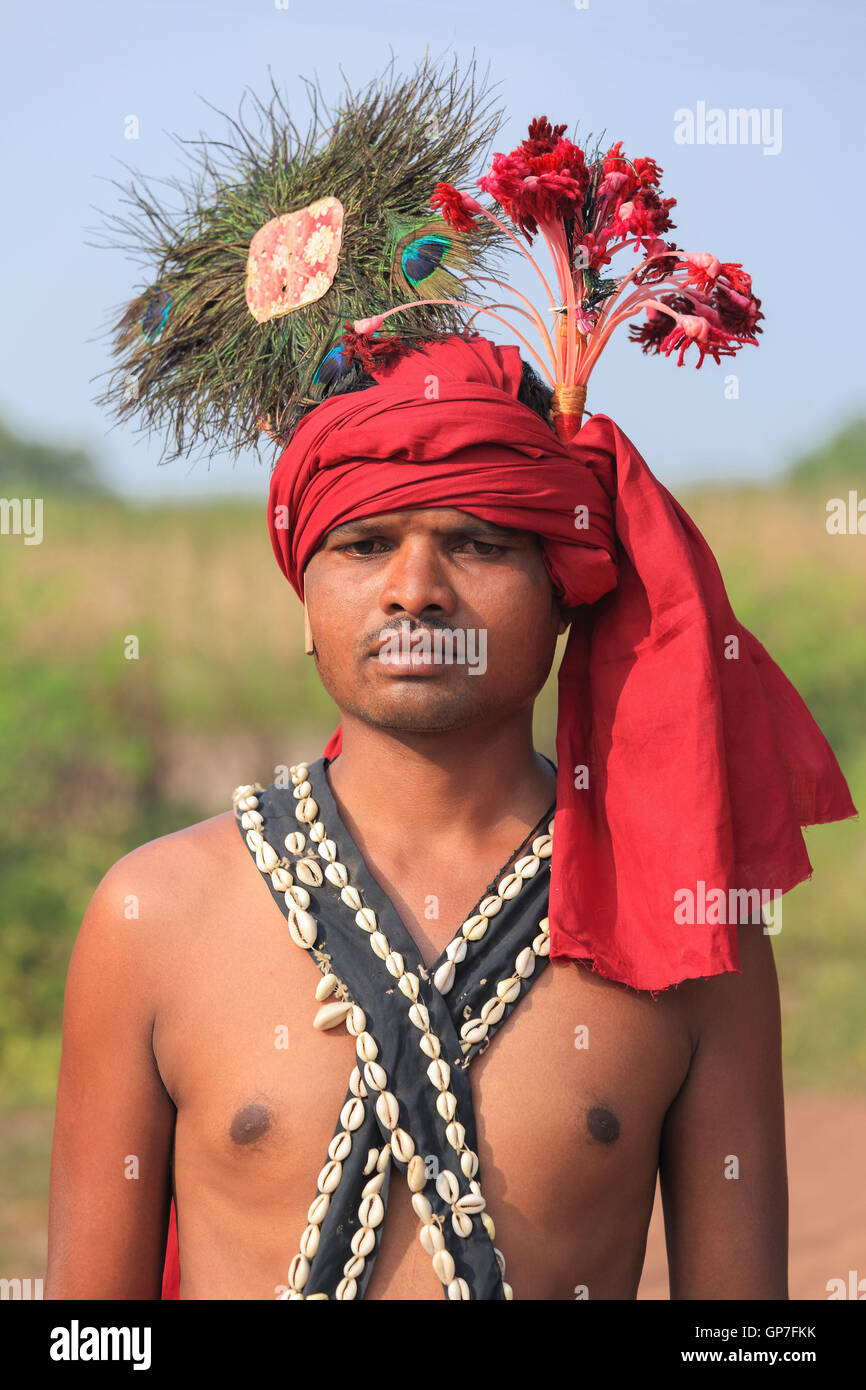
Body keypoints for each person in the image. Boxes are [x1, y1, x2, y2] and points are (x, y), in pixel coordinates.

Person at [46, 58, 855, 1301]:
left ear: (563, 590)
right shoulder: (150, 916)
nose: (415, 590)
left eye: (478, 545)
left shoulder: (689, 922)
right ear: (304, 601)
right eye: (365, 546)